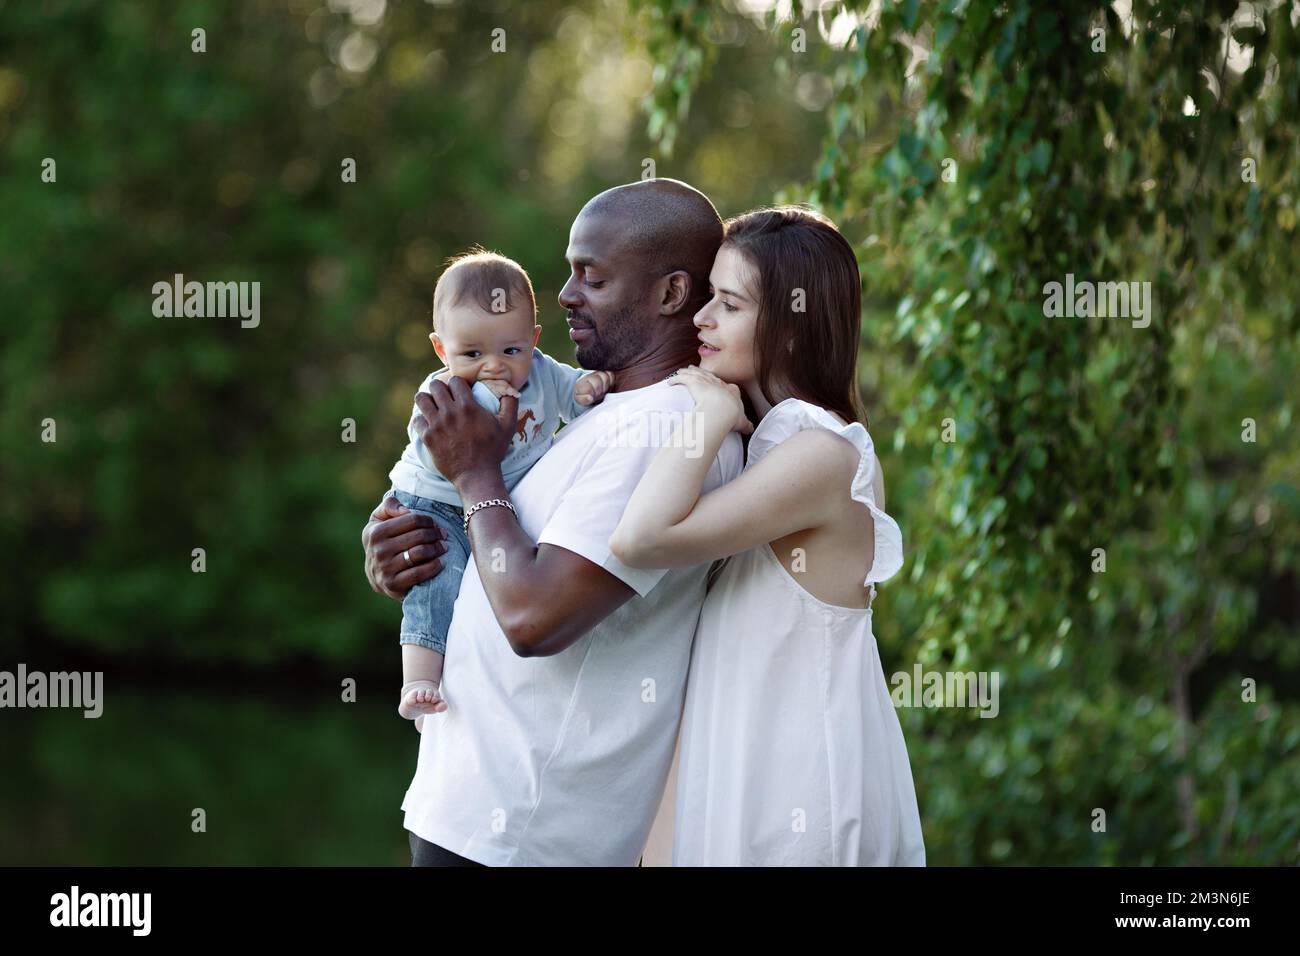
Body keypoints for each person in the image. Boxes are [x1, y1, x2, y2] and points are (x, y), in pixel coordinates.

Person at [361, 179, 744, 866]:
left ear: (671, 294)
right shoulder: (598, 410)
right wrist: (415, 550)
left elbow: (534, 618)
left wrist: (474, 473)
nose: (564, 295)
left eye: (591, 278)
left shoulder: (669, 430)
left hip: (527, 830)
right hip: (477, 808)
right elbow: (502, 545)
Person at [611, 206, 926, 865]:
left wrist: (710, 409)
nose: (701, 319)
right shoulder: (761, 447)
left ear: (790, 329)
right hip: (737, 793)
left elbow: (639, 538)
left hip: (795, 810)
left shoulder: (822, 455)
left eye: (728, 304)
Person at [382, 249, 612, 731]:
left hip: (489, 510)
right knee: (436, 577)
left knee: (478, 591)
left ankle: (456, 684)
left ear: (532, 341)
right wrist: (485, 417)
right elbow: (437, 454)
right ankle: (419, 680)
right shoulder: (444, 394)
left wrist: (591, 388)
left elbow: (576, 395)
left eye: (511, 351)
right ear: (442, 350)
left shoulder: (544, 372)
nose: (494, 366)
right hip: (433, 503)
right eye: (471, 354)